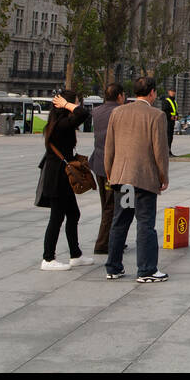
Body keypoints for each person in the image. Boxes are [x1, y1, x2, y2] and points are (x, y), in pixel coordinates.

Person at [103, 76, 170, 282]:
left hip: (122, 178)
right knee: (145, 223)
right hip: (144, 178)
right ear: (152, 93)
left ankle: (114, 267)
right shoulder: (156, 116)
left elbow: (109, 146)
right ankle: (147, 269)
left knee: (120, 221)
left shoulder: (118, 112)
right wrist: (163, 175)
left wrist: (110, 172)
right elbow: (160, 150)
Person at [36, 90, 92, 271]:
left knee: (73, 214)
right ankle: (48, 258)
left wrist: (66, 104)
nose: (77, 105)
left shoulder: (58, 123)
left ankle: (75, 254)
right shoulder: (61, 124)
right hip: (57, 176)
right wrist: (67, 104)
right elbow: (83, 113)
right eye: (75, 101)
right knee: (56, 217)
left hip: (61, 174)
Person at [87, 83, 125, 256]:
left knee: (108, 204)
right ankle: (103, 244)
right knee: (113, 206)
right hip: (112, 165)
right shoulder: (119, 112)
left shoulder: (97, 111)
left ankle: (112, 238)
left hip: (98, 163)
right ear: (119, 96)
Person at [161, 89, 177, 154]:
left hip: (172, 121)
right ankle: (166, 151)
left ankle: (169, 151)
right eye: (172, 91)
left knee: (170, 136)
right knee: (168, 137)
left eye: (174, 91)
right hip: (167, 121)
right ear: (169, 92)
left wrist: (176, 115)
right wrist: (170, 116)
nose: (173, 93)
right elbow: (164, 110)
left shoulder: (174, 101)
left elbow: (175, 111)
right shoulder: (167, 101)